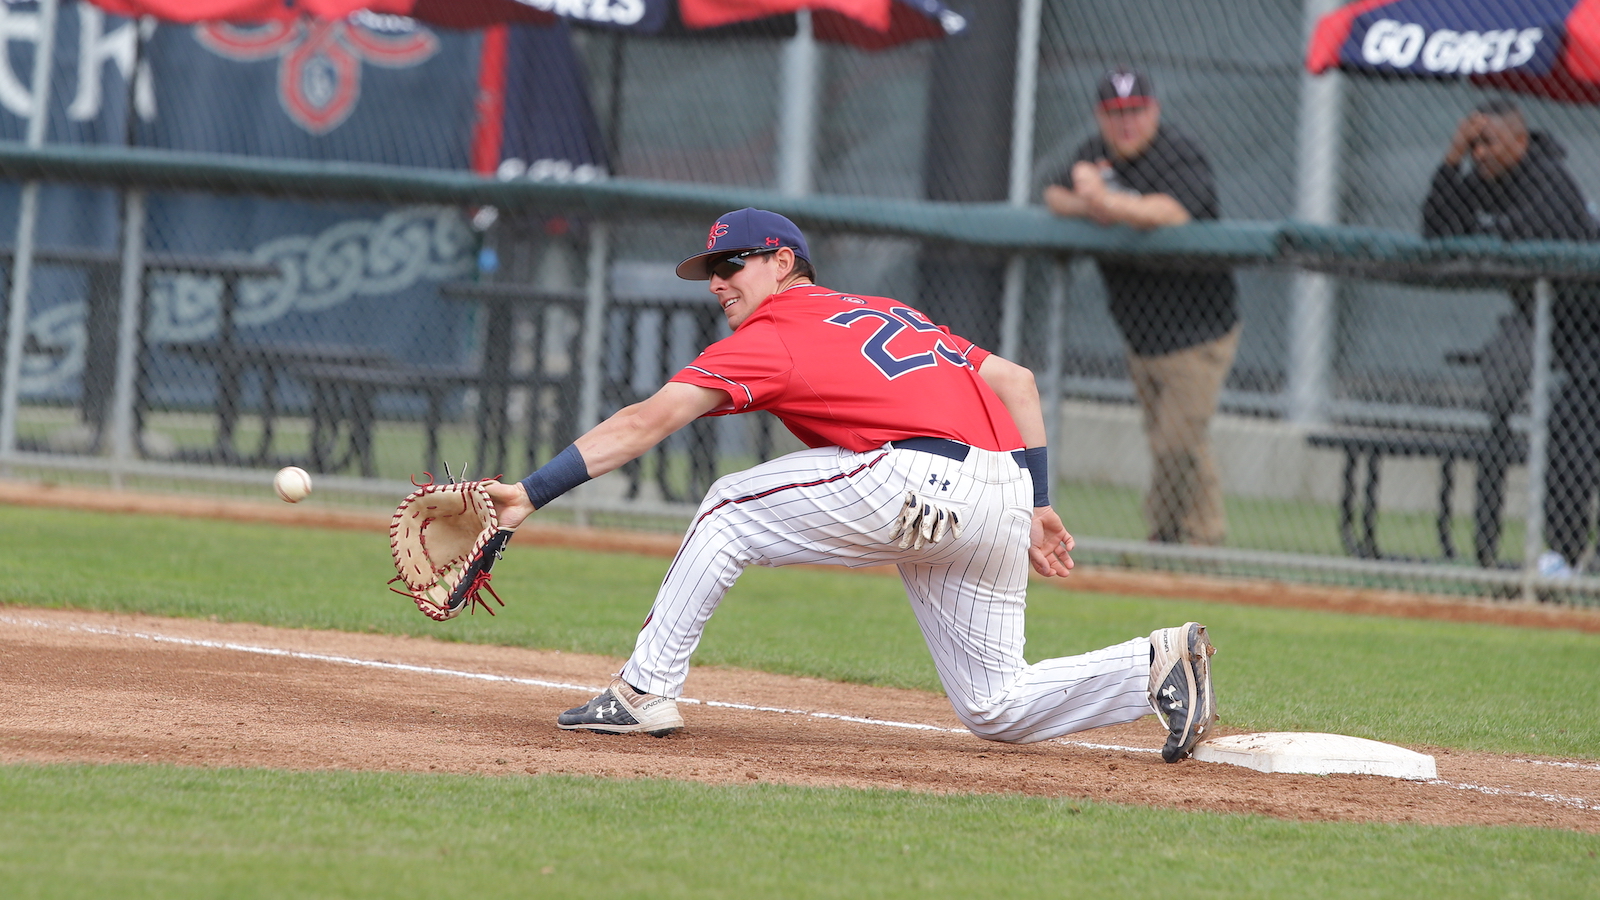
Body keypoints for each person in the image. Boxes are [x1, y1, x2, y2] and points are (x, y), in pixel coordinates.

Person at [482, 207, 1218, 763]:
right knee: (995, 707)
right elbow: (1017, 382)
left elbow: (647, 421)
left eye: (731, 264)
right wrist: (1039, 501)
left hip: (916, 474)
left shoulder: (773, 332)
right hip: (1000, 487)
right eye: (710, 270)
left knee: (727, 507)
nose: (716, 282)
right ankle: (1154, 664)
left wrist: (530, 492)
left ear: (780, 261)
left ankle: (642, 692)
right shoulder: (889, 310)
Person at [1042, 67, 1240, 547]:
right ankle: (1188, 539)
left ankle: (1180, 536)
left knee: (1177, 443)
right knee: (1175, 444)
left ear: (1153, 111)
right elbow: (1052, 194)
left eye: (1135, 112)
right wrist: (1090, 197)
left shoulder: (1178, 153)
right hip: (1139, 334)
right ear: (1100, 117)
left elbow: (1173, 213)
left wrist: (1104, 200)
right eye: (1115, 115)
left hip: (1200, 332)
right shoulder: (1096, 153)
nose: (1125, 125)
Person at [1421, 98, 1600, 578]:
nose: (1480, 153)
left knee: (1571, 428)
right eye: (1473, 143)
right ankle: (1566, 555)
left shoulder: (1549, 177)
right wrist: (1450, 157)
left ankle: (1564, 556)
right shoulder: (1486, 181)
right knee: (1567, 427)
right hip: (1573, 342)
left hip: (1592, 335)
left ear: (1519, 140)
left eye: (1488, 142)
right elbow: (1436, 229)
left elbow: (1527, 232)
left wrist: (1479, 230)